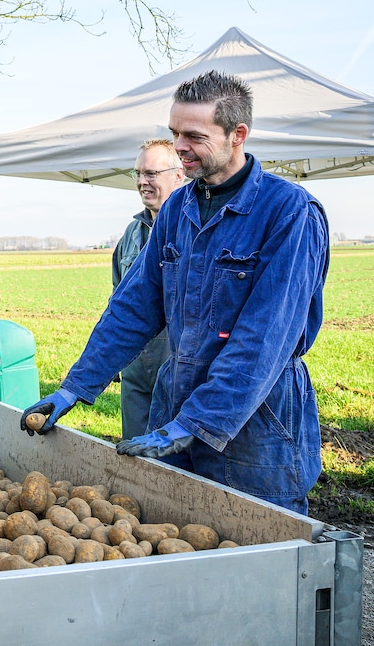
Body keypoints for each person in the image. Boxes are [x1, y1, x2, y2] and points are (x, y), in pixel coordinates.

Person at [21, 70, 329, 515]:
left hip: (256, 420)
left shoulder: (288, 211)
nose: (180, 146)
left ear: (238, 135)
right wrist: (75, 388)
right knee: (176, 532)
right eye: (174, 133)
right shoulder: (176, 210)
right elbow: (133, 307)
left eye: (194, 136)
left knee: (257, 537)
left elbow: (264, 340)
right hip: (175, 406)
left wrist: (195, 423)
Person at [113, 138, 185, 440]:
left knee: (175, 454)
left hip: (180, 367)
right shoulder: (132, 233)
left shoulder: (194, 229)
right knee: (133, 450)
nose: (142, 181)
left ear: (178, 175)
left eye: (151, 173)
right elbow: (117, 302)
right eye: (138, 173)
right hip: (136, 368)